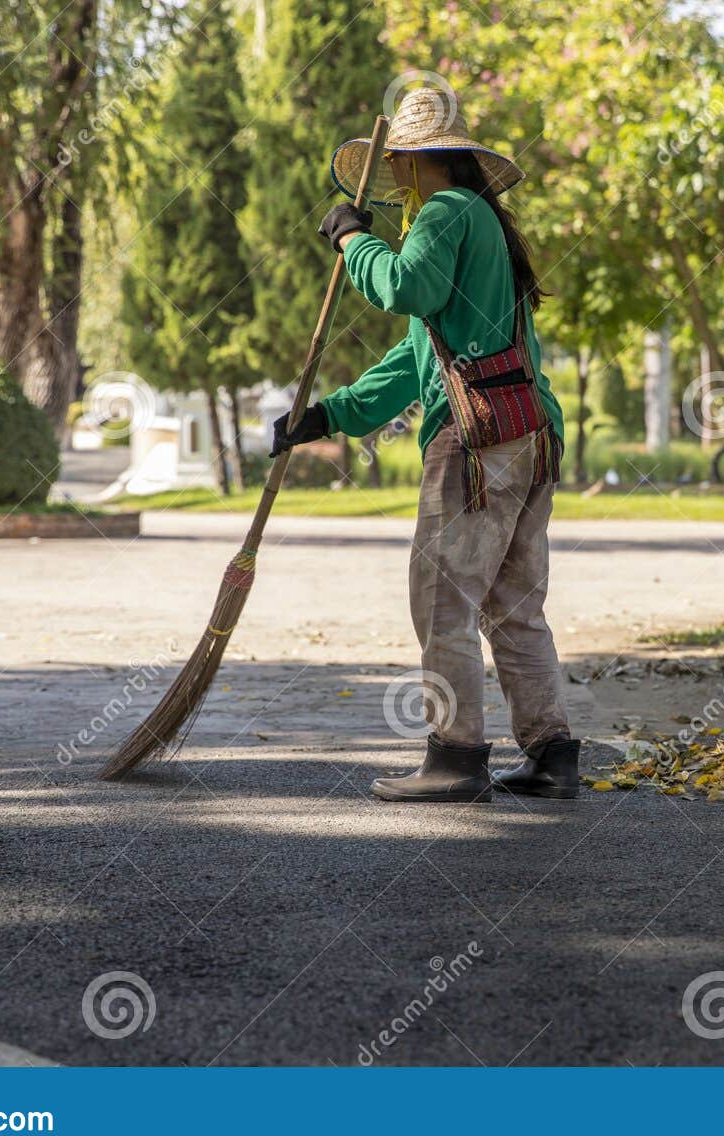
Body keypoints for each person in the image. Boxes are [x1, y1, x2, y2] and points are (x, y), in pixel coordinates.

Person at [271, 88, 579, 805]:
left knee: (443, 600)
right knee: (513, 604)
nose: (397, 185)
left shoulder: (444, 213)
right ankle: (552, 752)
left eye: (400, 169)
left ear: (414, 164)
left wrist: (354, 240)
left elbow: (401, 287)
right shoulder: (480, 224)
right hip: (530, 431)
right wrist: (326, 417)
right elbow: (417, 361)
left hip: (477, 442)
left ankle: (456, 757)